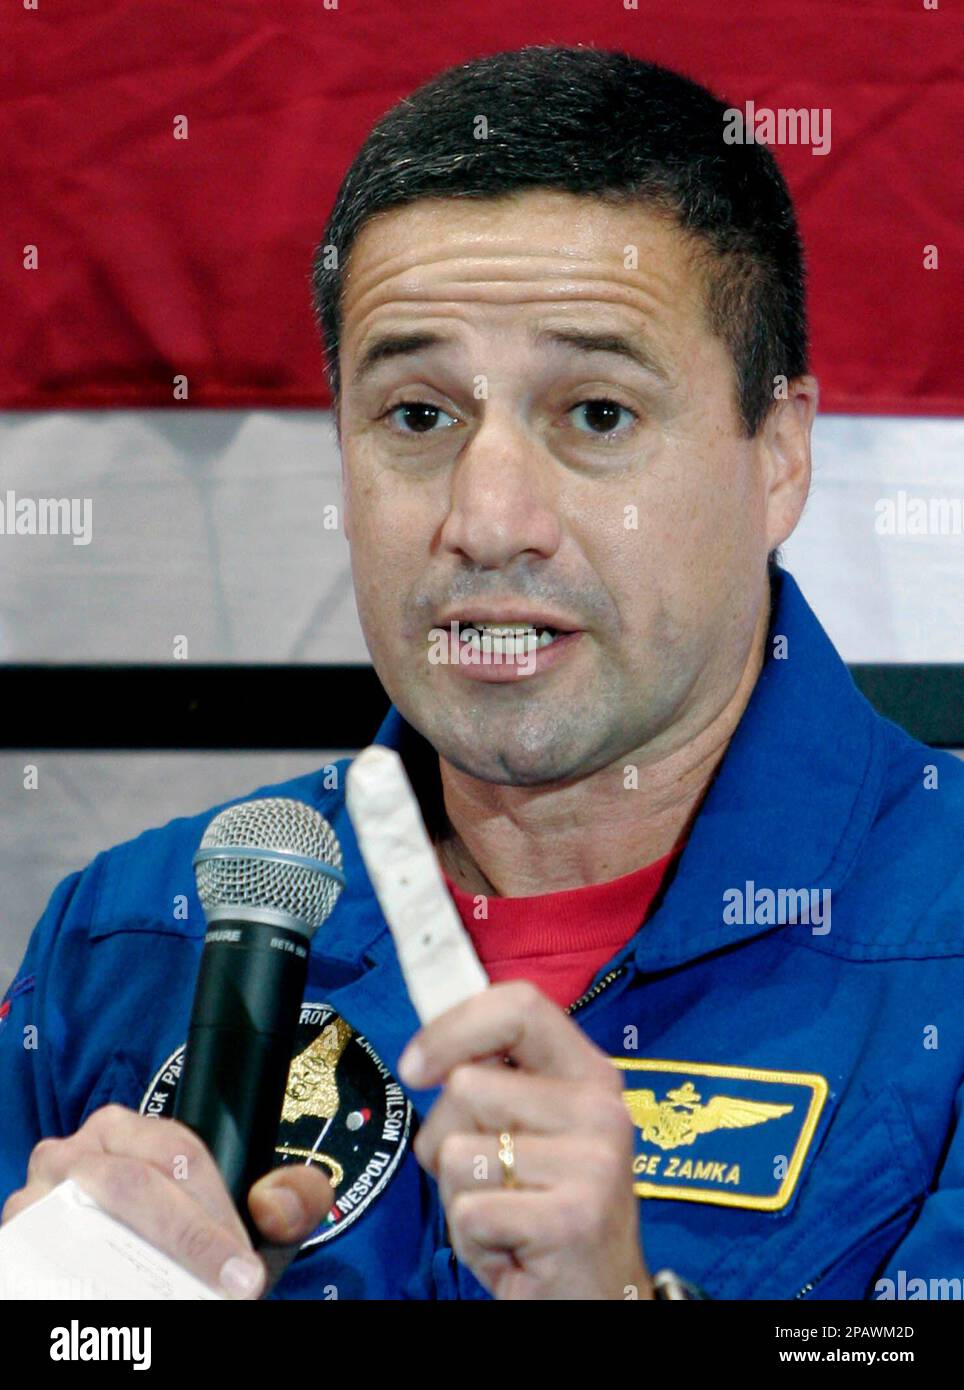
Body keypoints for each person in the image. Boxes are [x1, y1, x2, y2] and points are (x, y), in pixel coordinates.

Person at [2, 45, 963, 1302]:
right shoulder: (128, 937)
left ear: (778, 455)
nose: (489, 515)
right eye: (417, 416)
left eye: (597, 414)